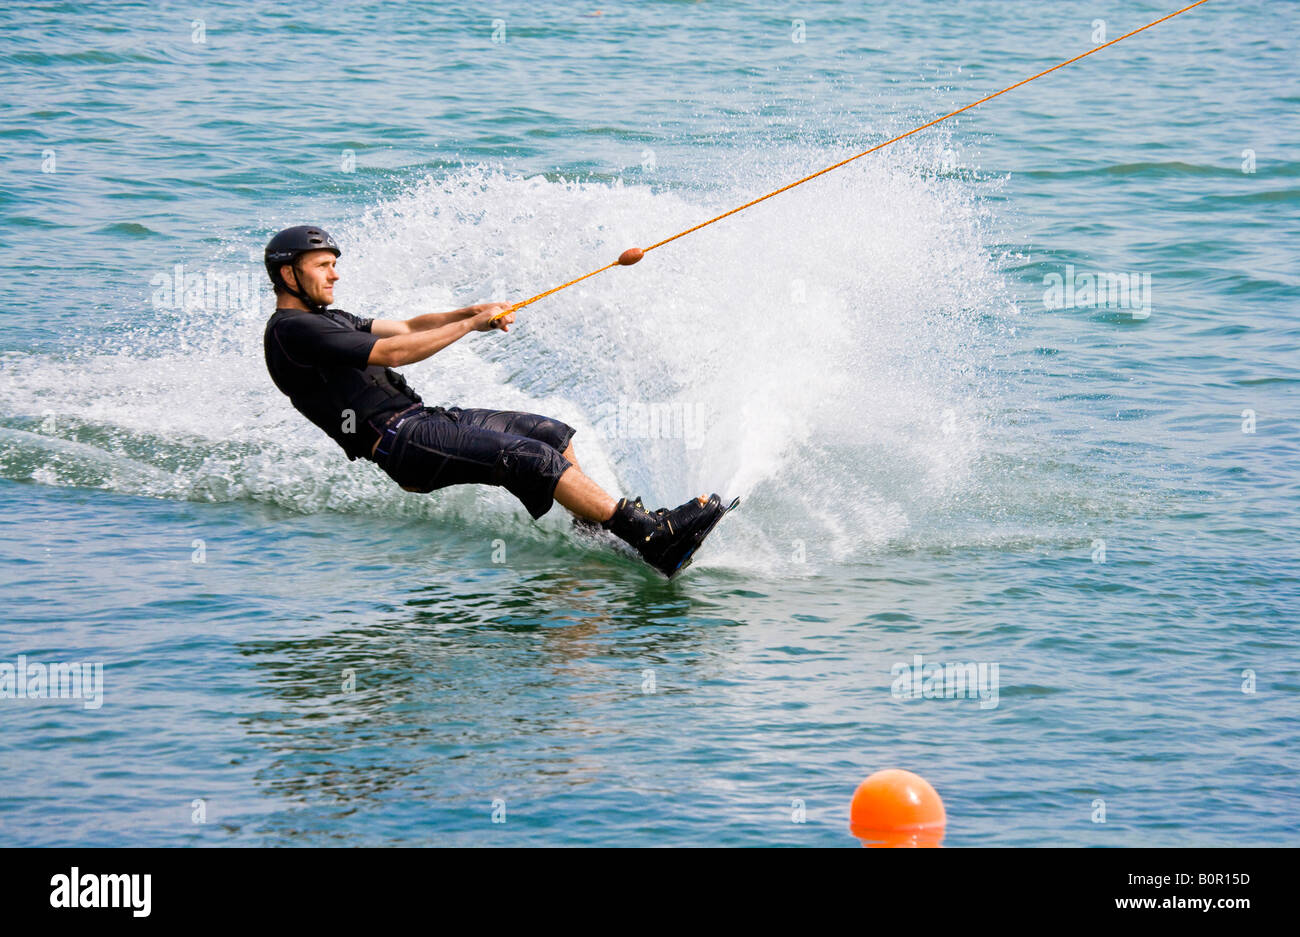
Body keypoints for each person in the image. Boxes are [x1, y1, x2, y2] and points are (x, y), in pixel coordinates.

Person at [260, 225, 726, 576]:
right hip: (400, 442)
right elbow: (395, 352)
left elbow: (404, 328)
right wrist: (469, 328)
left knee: (548, 434)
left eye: (333, 264)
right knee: (530, 459)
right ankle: (647, 535)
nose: (335, 273)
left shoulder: (329, 318)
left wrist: (469, 311)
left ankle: (603, 533)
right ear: (288, 273)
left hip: (421, 419)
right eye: (323, 265)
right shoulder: (293, 330)